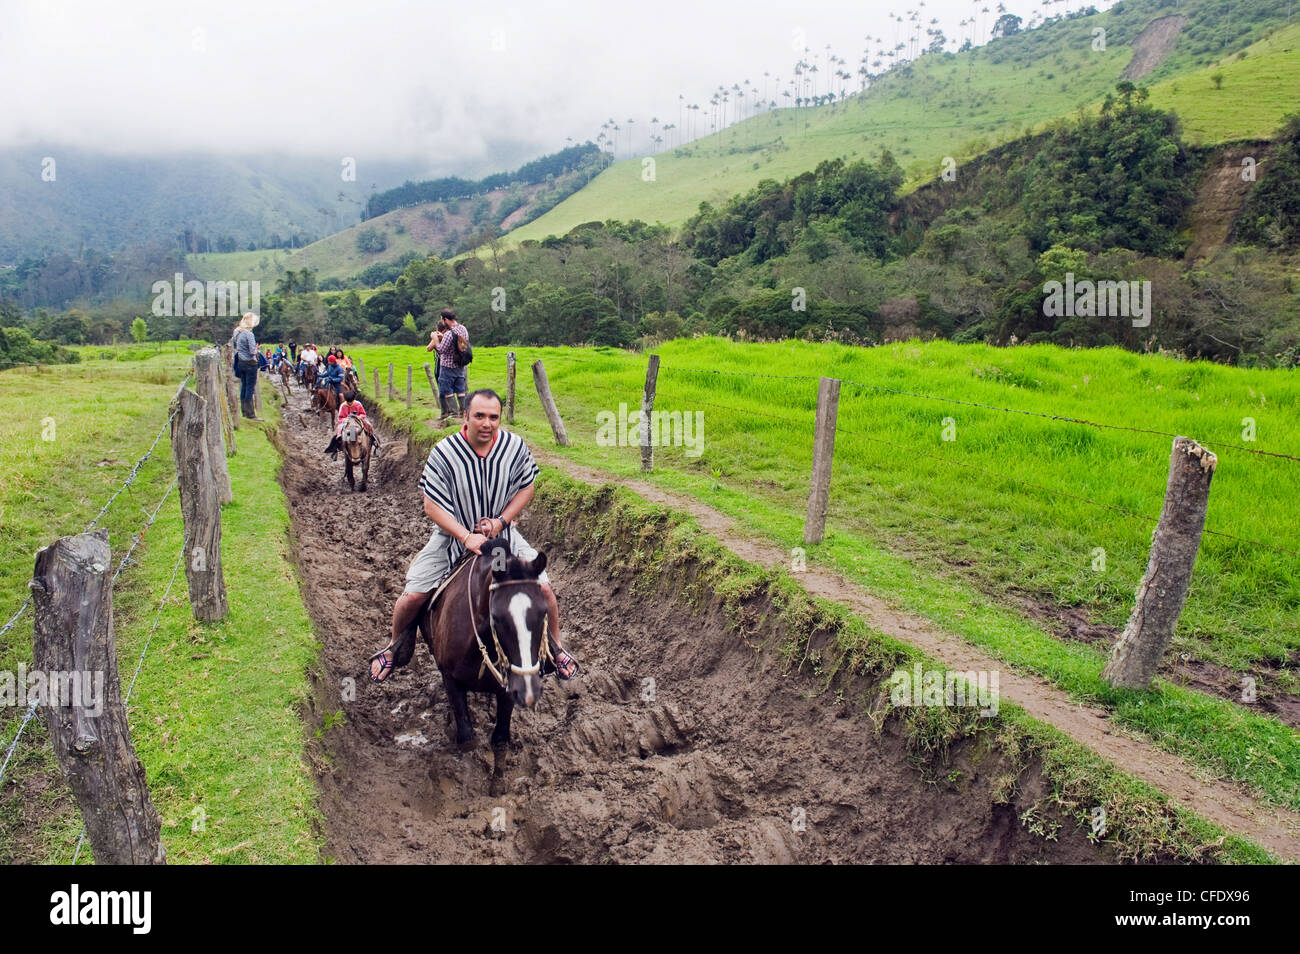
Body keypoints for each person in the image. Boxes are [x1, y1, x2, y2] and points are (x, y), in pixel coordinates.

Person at [368, 388, 577, 683]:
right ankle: (395, 646)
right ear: (466, 416)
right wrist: (466, 536)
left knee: (543, 590)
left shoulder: (514, 447)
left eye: (493, 417)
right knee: (413, 595)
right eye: (479, 416)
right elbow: (431, 505)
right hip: (452, 537)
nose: (487, 424)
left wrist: (501, 521)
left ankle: (555, 647)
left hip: (503, 539)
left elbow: (527, 487)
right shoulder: (444, 451)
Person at [428, 308, 469, 427]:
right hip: (460, 365)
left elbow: (441, 350)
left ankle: (453, 413)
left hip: (447, 365)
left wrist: (436, 339)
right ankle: (463, 411)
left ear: (445, 319)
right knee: (460, 389)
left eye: (442, 319)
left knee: (447, 389)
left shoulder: (449, 334)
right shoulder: (463, 329)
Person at [323, 389, 381, 458]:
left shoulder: (358, 404)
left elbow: (363, 414)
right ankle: (336, 446)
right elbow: (340, 417)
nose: (350, 404)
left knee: (368, 425)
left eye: (351, 402)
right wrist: (345, 419)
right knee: (339, 428)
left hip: (358, 419)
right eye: (348, 402)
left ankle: (375, 441)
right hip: (346, 421)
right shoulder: (343, 406)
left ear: (354, 399)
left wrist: (359, 417)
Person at [231, 312, 262, 420]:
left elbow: (234, 345)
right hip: (250, 363)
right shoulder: (249, 334)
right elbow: (252, 351)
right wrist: (257, 348)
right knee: (250, 388)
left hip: (240, 362)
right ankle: (250, 414)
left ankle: (244, 411)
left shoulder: (237, 332)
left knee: (244, 386)